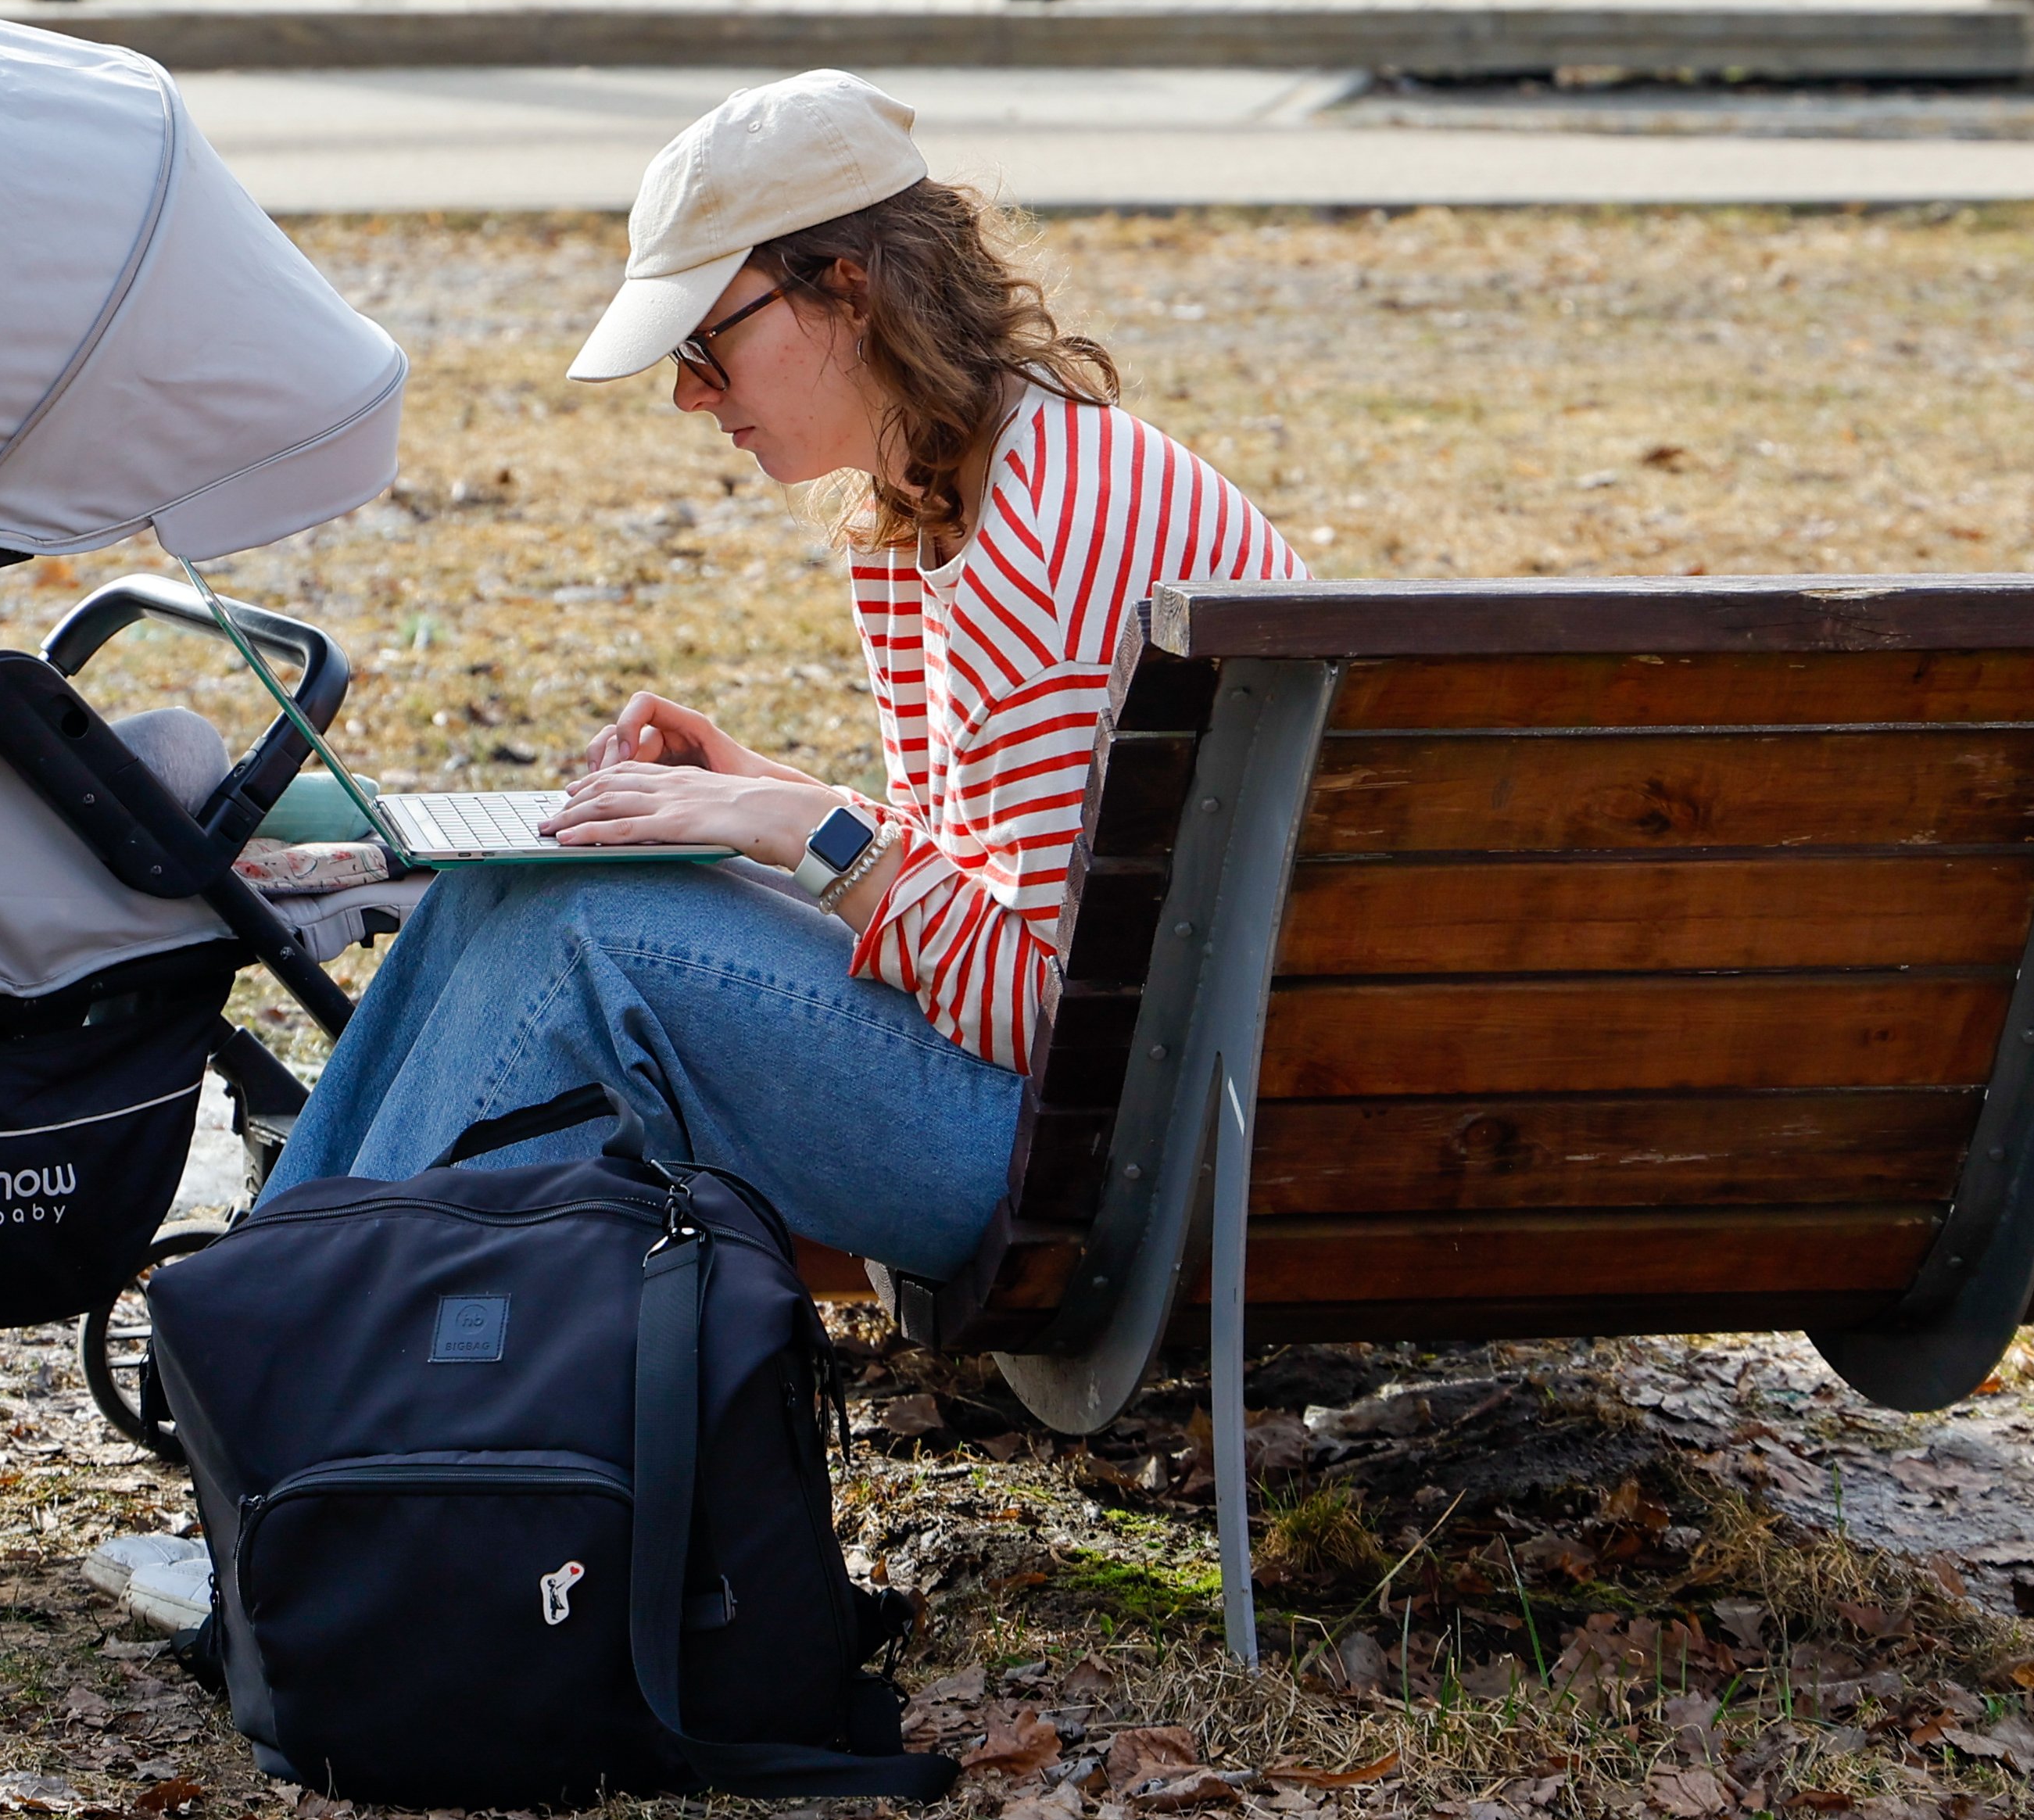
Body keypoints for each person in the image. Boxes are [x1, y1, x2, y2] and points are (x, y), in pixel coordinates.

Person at [264, 72, 1305, 1274]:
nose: (687, 393)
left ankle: (312, 1317)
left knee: (588, 937)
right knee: (504, 887)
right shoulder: (953, 492)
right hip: (1118, 1112)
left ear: (846, 290)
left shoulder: (1042, 546)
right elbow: (1007, 879)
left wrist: (804, 825)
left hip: (1111, 1155)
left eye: (706, 341)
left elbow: (1053, 1015)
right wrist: (747, 794)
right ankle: (283, 1279)